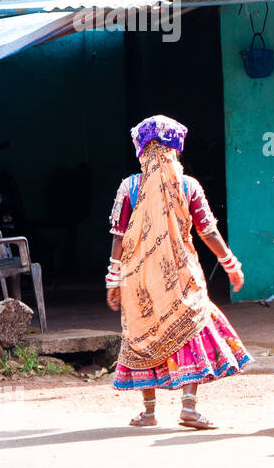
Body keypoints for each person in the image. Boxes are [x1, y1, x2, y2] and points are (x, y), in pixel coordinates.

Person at [107, 116, 249, 430]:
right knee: (189, 330)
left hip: (138, 277)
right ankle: (189, 408)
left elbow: (118, 235)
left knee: (143, 333)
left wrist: (113, 279)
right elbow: (208, 231)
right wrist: (230, 265)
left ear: (141, 149)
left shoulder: (129, 187)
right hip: (181, 274)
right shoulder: (188, 186)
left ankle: (148, 412)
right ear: (177, 149)